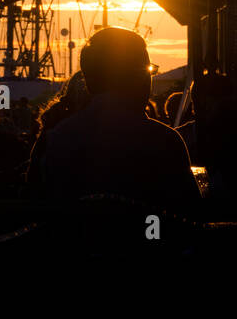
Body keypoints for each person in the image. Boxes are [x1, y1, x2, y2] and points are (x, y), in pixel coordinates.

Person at [28, 27, 198, 210]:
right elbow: (190, 214)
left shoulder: (57, 140)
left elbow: (39, 206)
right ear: (138, 77)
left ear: (90, 82)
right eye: (149, 71)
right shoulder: (164, 141)